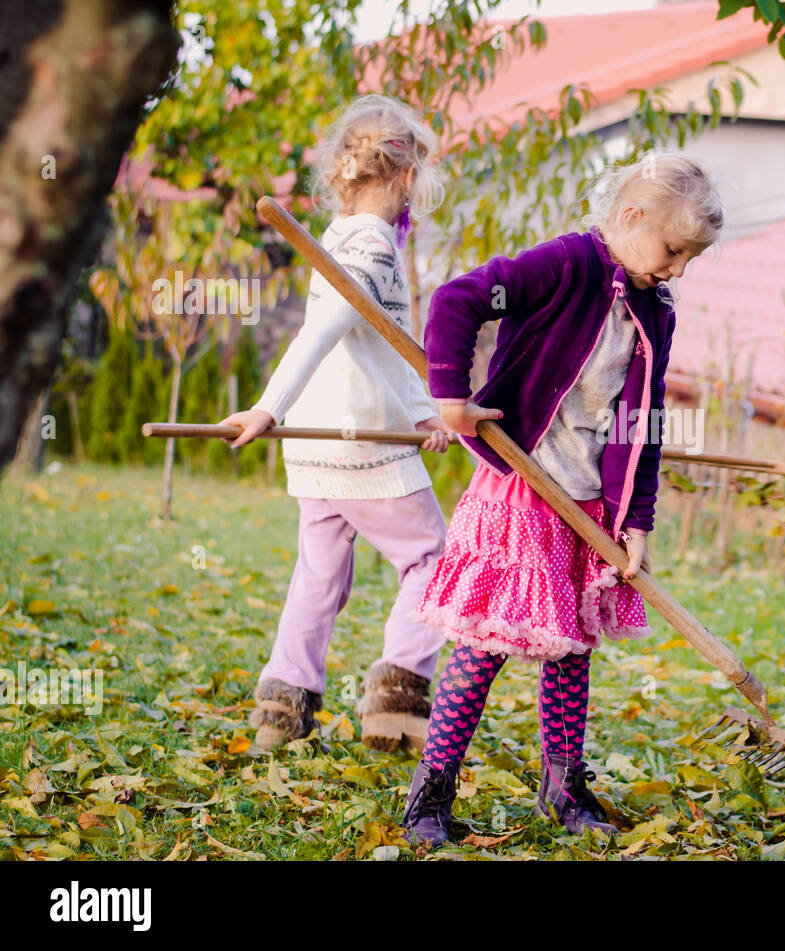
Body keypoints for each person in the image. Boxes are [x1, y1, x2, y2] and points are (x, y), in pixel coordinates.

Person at [400, 152, 725, 846]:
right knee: (484, 647)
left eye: (689, 258)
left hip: (585, 504)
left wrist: (636, 517)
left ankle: (562, 788)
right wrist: (452, 397)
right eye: (673, 250)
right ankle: (430, 793)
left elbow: (645, 418)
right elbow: (459, 298)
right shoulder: (566, 266)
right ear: (632, 217)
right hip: (522, 485)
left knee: (572, 648)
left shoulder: (652, 310)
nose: (677, 270)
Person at [220, 95, 452, 753]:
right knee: (434, 558)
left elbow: (387, 341)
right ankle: (396, 704)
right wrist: (268, 407)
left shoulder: (337, 237)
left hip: (319, 451)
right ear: (407, 178)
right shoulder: (376, 245)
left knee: (319, 576)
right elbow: (322, 331)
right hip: (360, 447)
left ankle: (280, 709)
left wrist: (422, 411)